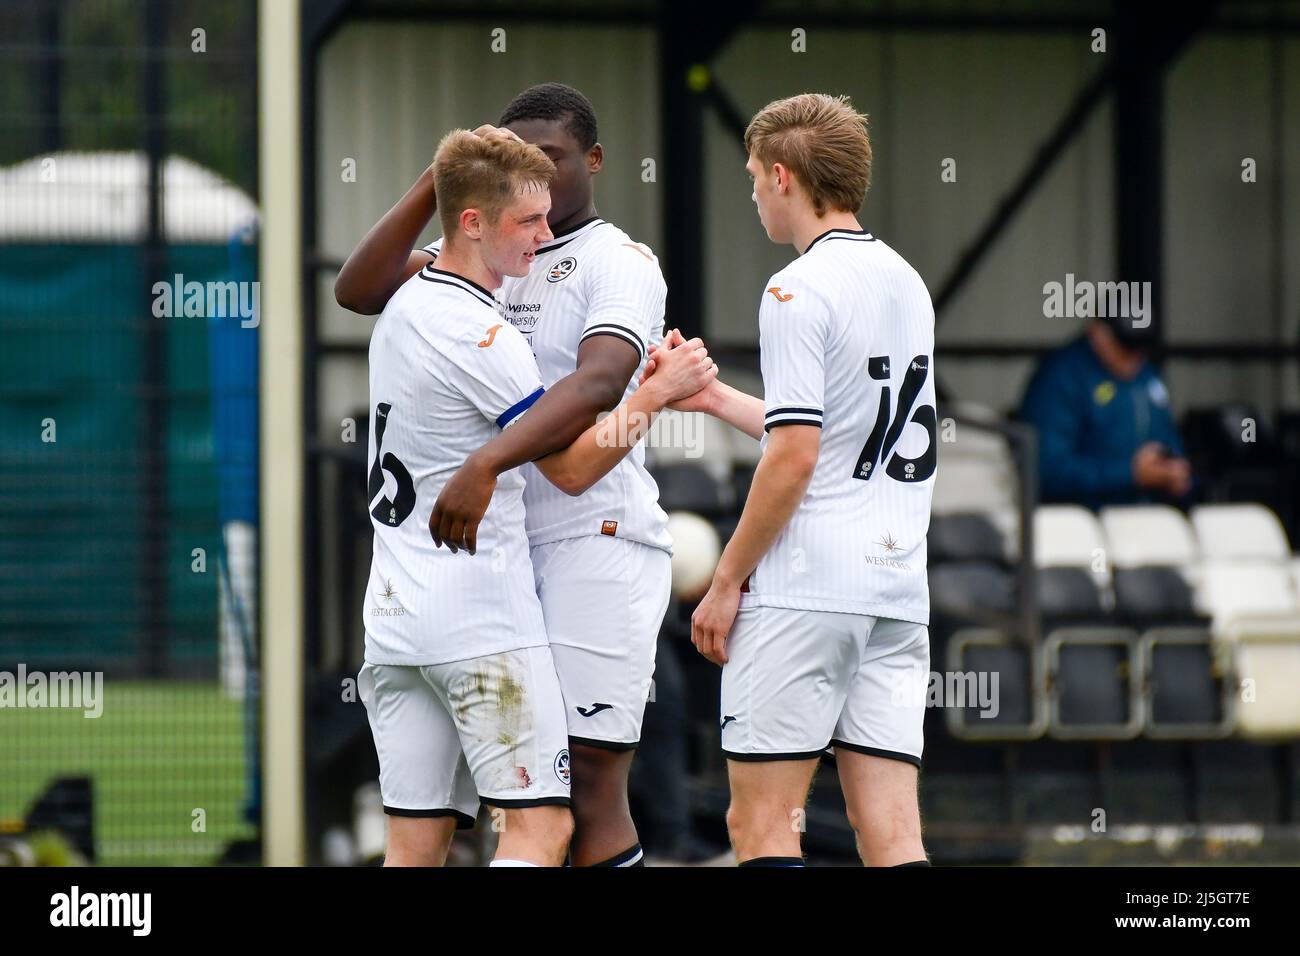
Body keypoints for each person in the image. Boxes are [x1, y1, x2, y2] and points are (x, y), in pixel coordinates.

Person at [357, 128, 714, 866]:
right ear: (473, 222)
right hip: (479, 619)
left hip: (393, 623)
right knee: (545, 827)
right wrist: (657, 392)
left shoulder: (404, 303)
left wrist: (448, 168)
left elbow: (355, 286)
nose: (545, 238)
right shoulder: (484, 335)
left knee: (415, 841)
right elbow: (575, 467)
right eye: (529, 221)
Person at [641, 93, 935, 867]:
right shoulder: (907, 282)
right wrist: (712, 398)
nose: (752, 196)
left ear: (782, 177)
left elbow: (798, 456)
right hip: (897, 593)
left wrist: (728, 579)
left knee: (763, 828)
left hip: (807, 590)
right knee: (894, 835)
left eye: (751, 179)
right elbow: (835, 430)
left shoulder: (793, 288)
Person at [1018, 316, 1192, 511]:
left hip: (1146, 522)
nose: (1134, 357)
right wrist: (1129, 474)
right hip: (1081, 525)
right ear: (1097, 330)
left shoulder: (1147, 376)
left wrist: (1176, 475)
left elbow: (1171, 444)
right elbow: (1045, 471)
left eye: (1141, 348)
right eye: (1124, 346)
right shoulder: (1061, 376)